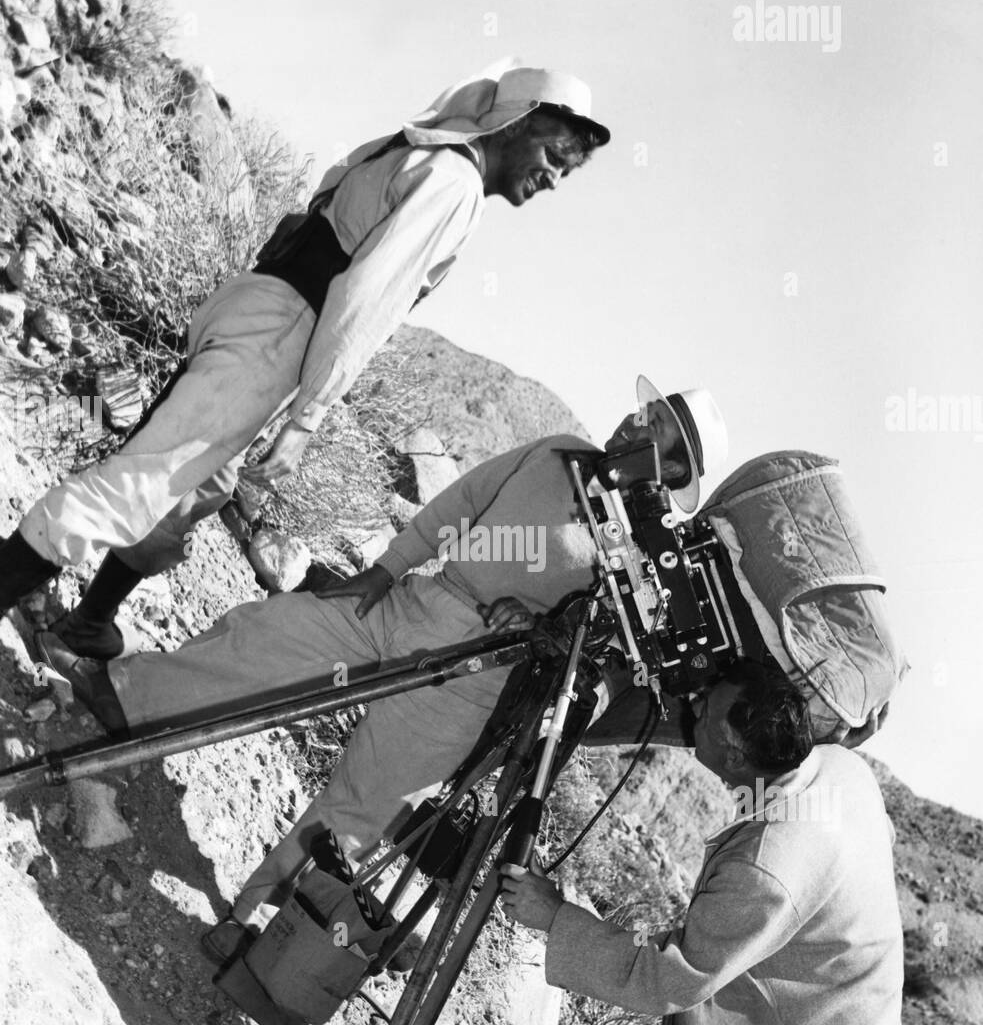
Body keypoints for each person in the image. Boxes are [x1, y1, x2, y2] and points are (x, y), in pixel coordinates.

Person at [38, 381, 729, 962]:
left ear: (672, 472)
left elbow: (599, 656)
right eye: (647, 410)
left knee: (363, 804)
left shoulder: (642, 555)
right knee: (269, 634)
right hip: (419, 598)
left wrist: (540, 626)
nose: (635, 422)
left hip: (478, 675)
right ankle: (122, 698)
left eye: (657, 429)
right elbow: (461, 503)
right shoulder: (558, 452)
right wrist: (386, 568)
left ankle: (254, 921)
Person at [0, 59, 609, 658]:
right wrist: (306, 418)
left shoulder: (422, 150)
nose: (555, 179)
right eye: (554, 156)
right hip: (282, 331)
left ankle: (90, 623)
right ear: (516, 122)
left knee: (194, 488)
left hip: (261, 307)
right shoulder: (457, 186)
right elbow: (364, 299)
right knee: (140, 484)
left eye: (567, 170)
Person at [368, 661, 904, 1025]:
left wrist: (555, 916)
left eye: (706, 712)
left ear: (736, 755)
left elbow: (671, 976)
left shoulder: (769, 868)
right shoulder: (839, 768)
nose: (693, 707)